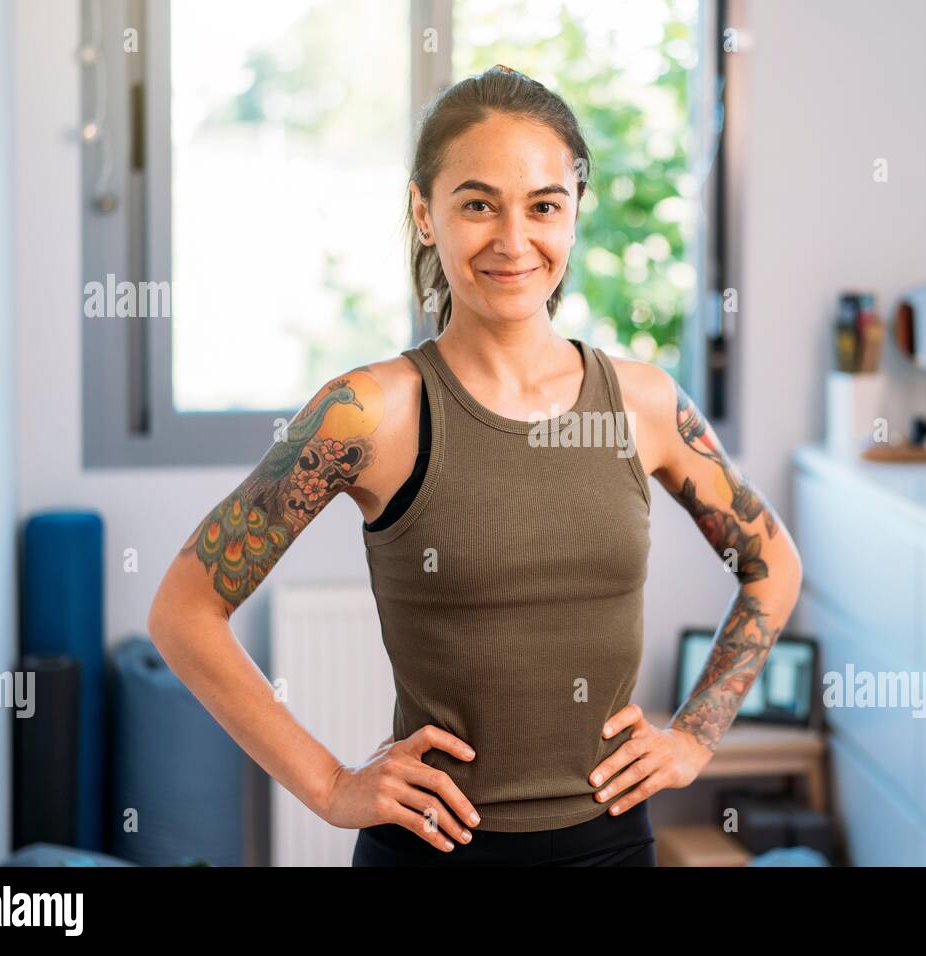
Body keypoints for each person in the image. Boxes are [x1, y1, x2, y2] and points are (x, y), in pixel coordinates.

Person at [147, 65, 803, 867]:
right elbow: (184, 610)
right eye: (478, 203)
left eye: (543, 207)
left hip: (610, 849)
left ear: (573, 216)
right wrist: (328, 787)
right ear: (425, 213)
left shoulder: (646, 404)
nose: (513, 239)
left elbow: (771, 567)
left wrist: (695, 737)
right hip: (429, 851)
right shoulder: (367, 411)